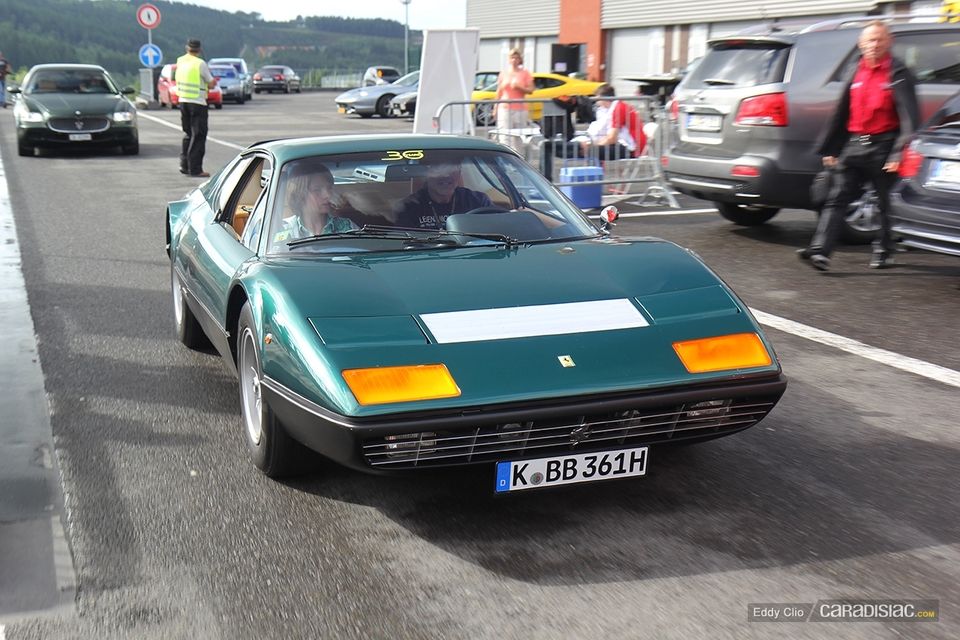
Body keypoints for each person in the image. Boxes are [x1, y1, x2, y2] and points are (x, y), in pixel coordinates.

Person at [800, 20, 919, 271]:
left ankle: (885, 250)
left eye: (879, 40)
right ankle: (821, 251)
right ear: (861, 44)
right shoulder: (856, 70)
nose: (874, 45)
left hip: (884, 146)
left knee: (884, 201)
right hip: (854, 145)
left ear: (889, 42)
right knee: (836, 197)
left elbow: (910, 116)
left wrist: (899, 151)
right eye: (869, 40)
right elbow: (842, 111)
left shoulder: (897, 72)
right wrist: (832, 148)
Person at [540, 84, 646, 180]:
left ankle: (545, 182)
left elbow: (611, 138)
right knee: (549, 147)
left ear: (602, 98)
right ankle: (547, 180)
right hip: (629, 146)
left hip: (629, 148)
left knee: (547, 147)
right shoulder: (616, 108)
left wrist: (590, 144)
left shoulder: (618, 109)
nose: (597, 103)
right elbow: (606, 134)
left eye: (597, 99)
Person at [395, 161, 493, 229]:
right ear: (426, 175)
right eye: (439, 170)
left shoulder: (478, 201)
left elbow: (497, 232)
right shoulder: (408, 207)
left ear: (459, 173)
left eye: (451, 169)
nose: (446, 175)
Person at [273, 163, 357, 242]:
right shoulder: (285, 229)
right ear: (300, 194)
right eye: (317, 190)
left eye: (329, 188)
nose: (327, 195)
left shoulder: (348, 227)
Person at [176, 38, 218, 178]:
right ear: (199, 50)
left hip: (183, 101)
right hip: (197, 102)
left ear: (186, 48)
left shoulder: (180, 61)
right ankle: (195, 169)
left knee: (188, 134)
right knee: (199, 136)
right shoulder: (200, 64)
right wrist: (212, 82)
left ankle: (184, 165)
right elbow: (211, 84)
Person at [494, 48, 534, 152]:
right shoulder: (503, 73)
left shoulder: (525, 73)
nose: (514, 60)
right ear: (509, 59)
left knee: (518, 137)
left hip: (520, 109)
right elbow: (499, 91)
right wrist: (495, 107)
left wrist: (519, 87)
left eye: (517, 58)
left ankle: (518, 159)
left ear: (520, 60)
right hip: (505, 108)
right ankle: (503, 158)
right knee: (504, 136)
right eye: (512, 57)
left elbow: (531, 90)